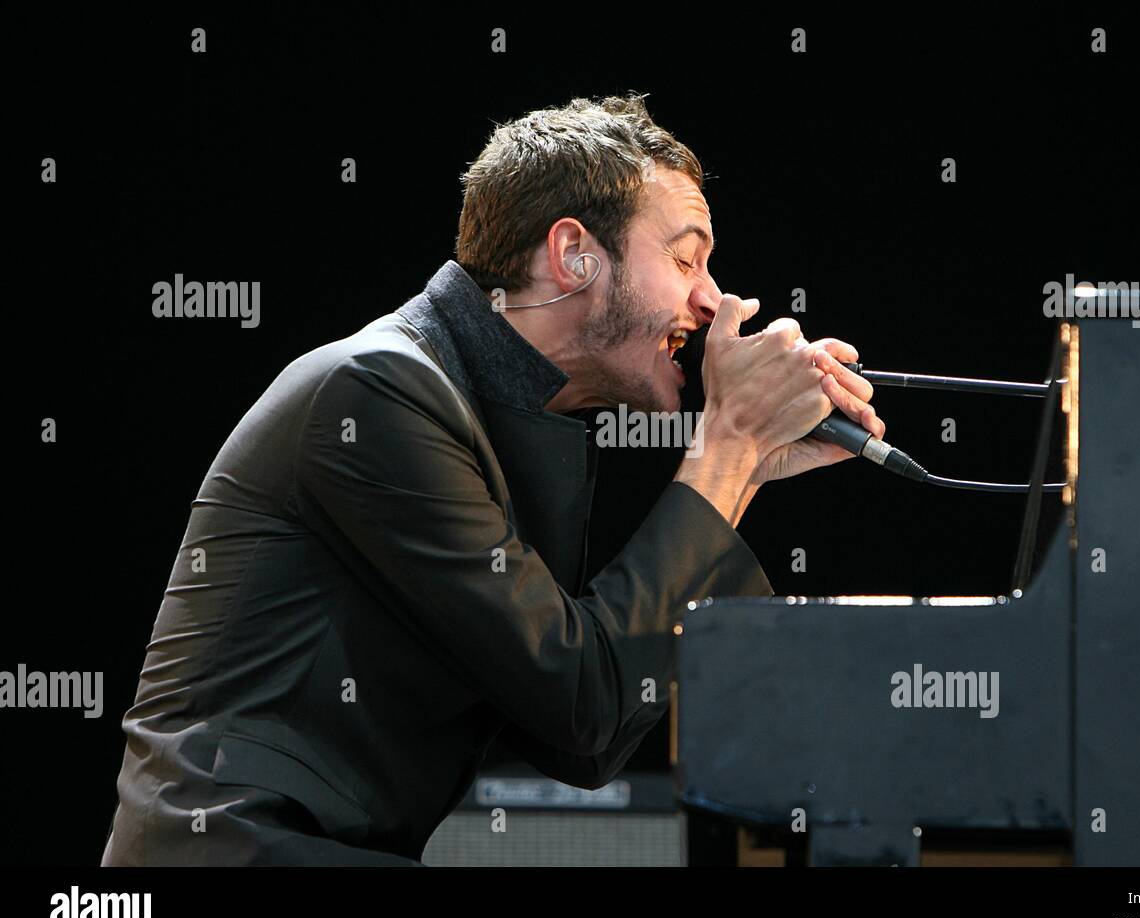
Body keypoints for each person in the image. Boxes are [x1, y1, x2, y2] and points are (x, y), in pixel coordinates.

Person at [100, 92, 884, 865]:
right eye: (686, 258)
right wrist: (730, 447)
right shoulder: (377, 393)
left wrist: (741, 469)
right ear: (573, 255)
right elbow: (583, 701)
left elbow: (584, 739)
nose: (713, 299)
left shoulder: (480, 408)